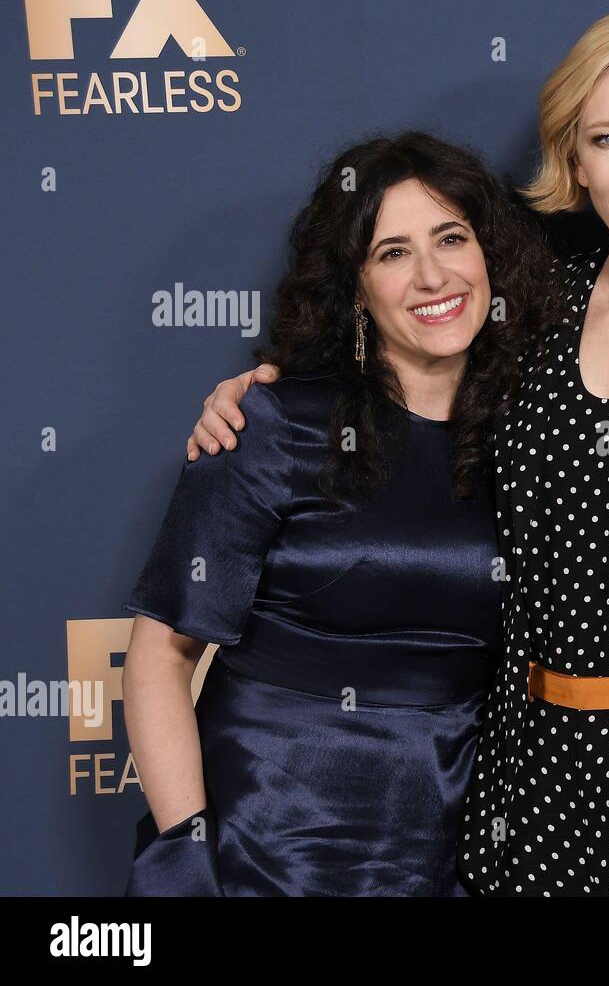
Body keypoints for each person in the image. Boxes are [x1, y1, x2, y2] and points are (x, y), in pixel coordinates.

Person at [181, 7, 609, 896]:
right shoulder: (531, 314)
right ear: (575, 161)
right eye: (608, 138)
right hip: (531, 784)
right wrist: (260, 393)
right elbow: (401, 350)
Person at [122, 132, 555, 895]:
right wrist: (186, 855)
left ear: (491, 257)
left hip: (449, 859)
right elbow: (160, 656)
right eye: (392, 252)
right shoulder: (272, 425)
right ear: (356, 289)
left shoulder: (534, 443)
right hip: (257, 856)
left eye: (451, 238)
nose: (431, 275)